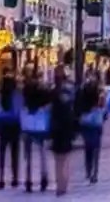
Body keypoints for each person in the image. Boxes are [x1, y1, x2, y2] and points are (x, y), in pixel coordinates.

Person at [20, 73, 52, 192]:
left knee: (28, 155)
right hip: (41, 126)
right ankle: (44, 177)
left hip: (27, 126)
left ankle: (28, 180)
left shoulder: (26, 97)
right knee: (43, 154)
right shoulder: (44, 96)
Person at [0, 74, 23, 189]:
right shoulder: (18, 96)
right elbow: (20, 111)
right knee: (15, 154)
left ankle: (1, 178)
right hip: (14, 126)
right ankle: (15, 178)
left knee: (2, 153)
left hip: (3, 127)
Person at [49, 67, 77, 196]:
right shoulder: (70, 93)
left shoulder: (54, 92)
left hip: (57, 130)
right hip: (67, 129)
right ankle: (63, 184)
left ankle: (59, 185)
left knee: (58, 160)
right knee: (65, 159)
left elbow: (51, 111)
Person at [76, 76, 105, 183]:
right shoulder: (99, 95)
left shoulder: (83, 95)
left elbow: (78, 108)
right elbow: (103, 108)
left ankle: (88, 170)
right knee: (96, 148)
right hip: (97, 122)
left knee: (88, 148)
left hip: (86, 122)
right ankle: (95, 172)